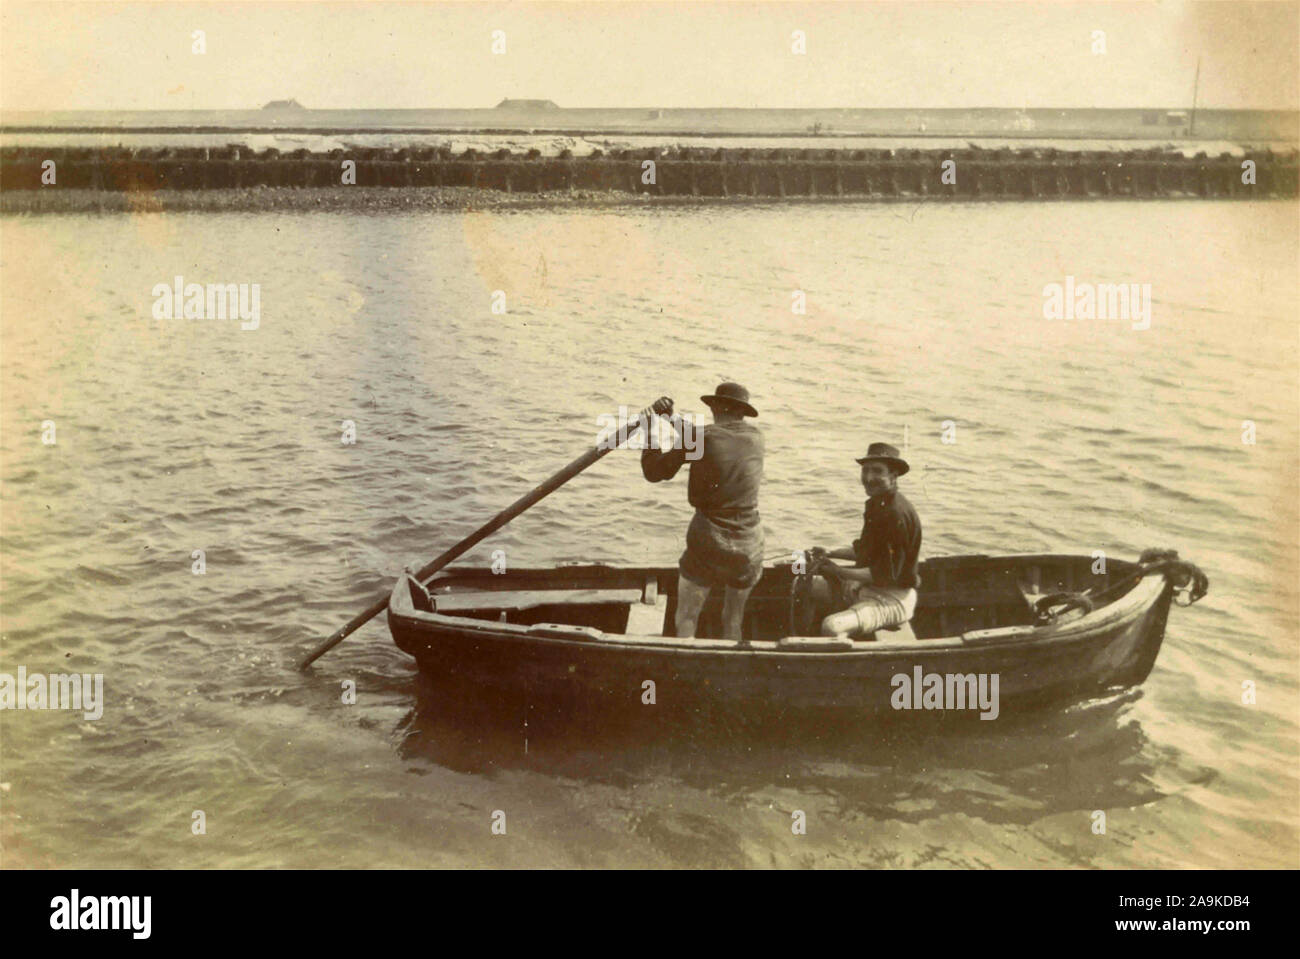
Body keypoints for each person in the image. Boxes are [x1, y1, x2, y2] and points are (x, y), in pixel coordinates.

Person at [641, 383, 764, 640]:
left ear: (715, 407)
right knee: (733, 619)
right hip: (749, 544)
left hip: (709, 540)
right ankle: (733, 670)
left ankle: (686, 668)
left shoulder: (701, 438)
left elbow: (654, 473)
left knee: (687, 617)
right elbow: (707, 438)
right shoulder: (755, 437)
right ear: (742, 412)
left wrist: (649, 429)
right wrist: (670, 418)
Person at [809, 442, 922, 638]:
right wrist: (830, 552)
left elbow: (883, 574)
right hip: (867, 589)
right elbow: (865, 551)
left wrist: (837, 571)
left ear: (894, 476)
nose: (868, 478)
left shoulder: (896, 514)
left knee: (831, 627)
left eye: (877, 471)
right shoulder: (878, 504)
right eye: (865, 471)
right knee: (807, 585)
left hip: (892, 600)